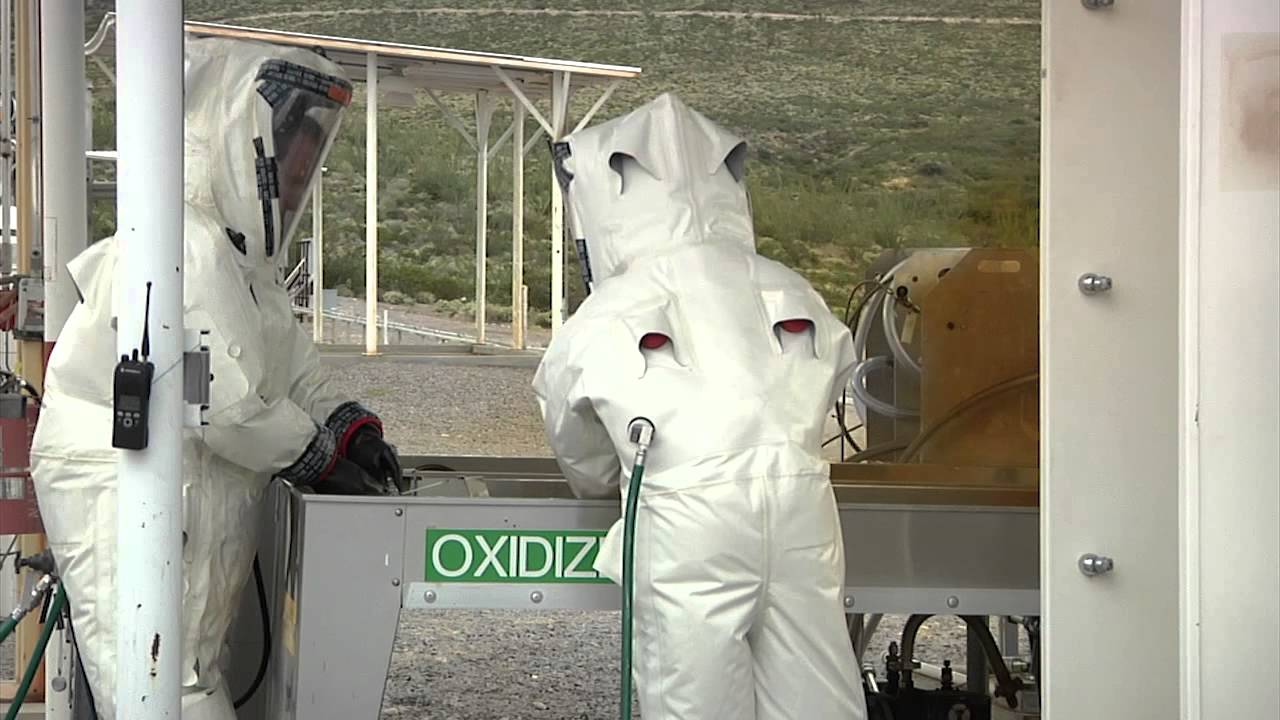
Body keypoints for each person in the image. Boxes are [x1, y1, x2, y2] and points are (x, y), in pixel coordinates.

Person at [29, 36, 401, 719]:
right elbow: (228, 409)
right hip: (123, 489)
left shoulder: (239, 264)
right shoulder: (179, 248)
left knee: (189, 669)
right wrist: (315, 457)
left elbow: (291, 371)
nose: (300, 177)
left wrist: (352, 431)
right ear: (242, 144)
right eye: (294, 159)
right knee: (161, 686)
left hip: (189, 491)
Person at [533, 93, 867, 720]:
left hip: (687, 516)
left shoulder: (605, 313)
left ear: (607, 205)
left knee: (694, 699)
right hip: (803, 510)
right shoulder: (792, 287)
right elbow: (834, 377)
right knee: (816, 692)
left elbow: (586, 464)